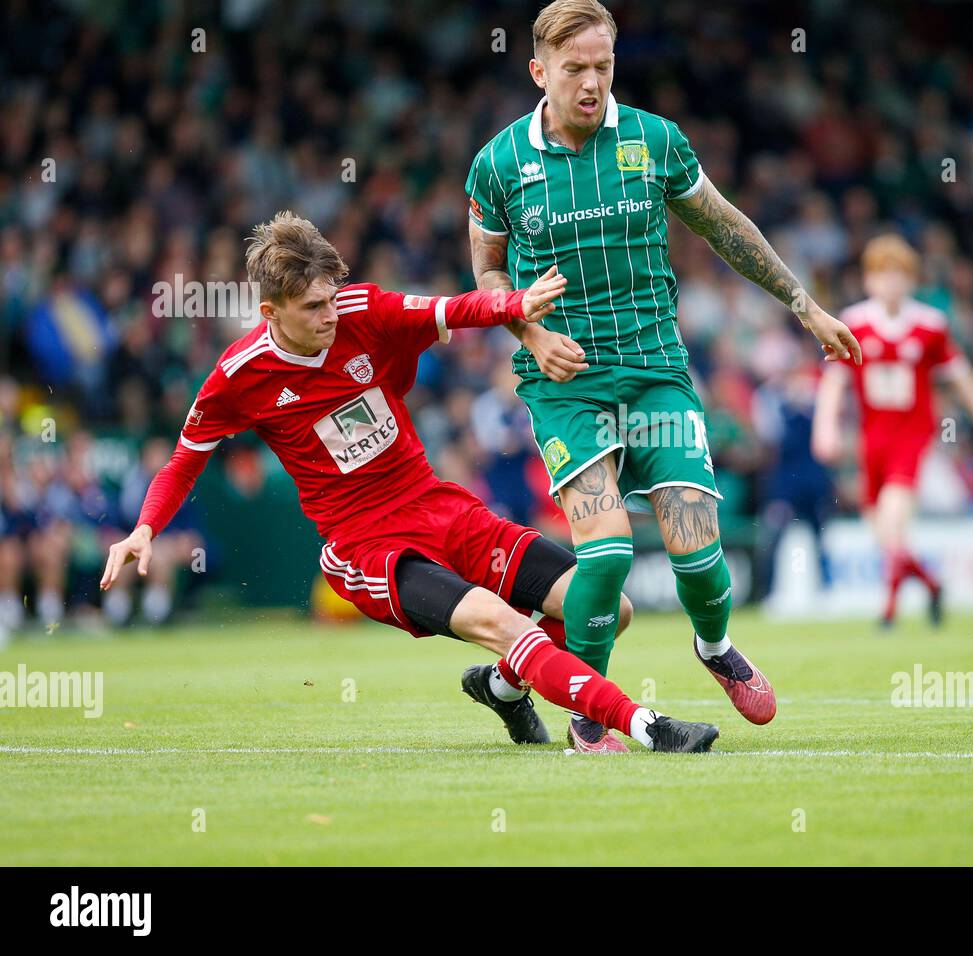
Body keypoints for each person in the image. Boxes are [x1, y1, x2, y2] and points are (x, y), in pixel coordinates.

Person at [100, 211, 719, 754]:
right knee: (509, 624)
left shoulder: (359, 311)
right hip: (366, 545)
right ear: (271, 313)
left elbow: (449, 309)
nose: (329, 315)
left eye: (330, 297)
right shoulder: (239, 375)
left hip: (436, 504)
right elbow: (185, 457)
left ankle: (502, 687)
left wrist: (514, 305)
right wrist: (145, 528)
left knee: (613, 607)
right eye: (312, 308)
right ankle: (643, 725)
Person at [465, 0, 862, 751]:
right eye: (575, 68)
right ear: (538, 71)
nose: (591, 82)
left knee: (698, 551)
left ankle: (714, 648)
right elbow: (485, 268)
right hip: (565, 382)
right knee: (608, 549)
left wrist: (804, 305)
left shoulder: (653, 141)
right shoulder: (498, 163)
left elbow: (723, 223)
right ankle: (590, 714)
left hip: (654, 373)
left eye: (603, 66)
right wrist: (527, 326)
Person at [812, 235, 973, 628]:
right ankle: (932, 585)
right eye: (882, 275)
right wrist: (826, 428)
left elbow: (963, 380)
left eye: (899, 275)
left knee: (891, 519)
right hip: (872, 439)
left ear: (911, 280)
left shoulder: (930, 326)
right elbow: (834, 381)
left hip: (913, 437)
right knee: (883, 533)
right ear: (869, 280)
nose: (890, 284)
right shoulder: (854, 323)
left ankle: (888, 609)